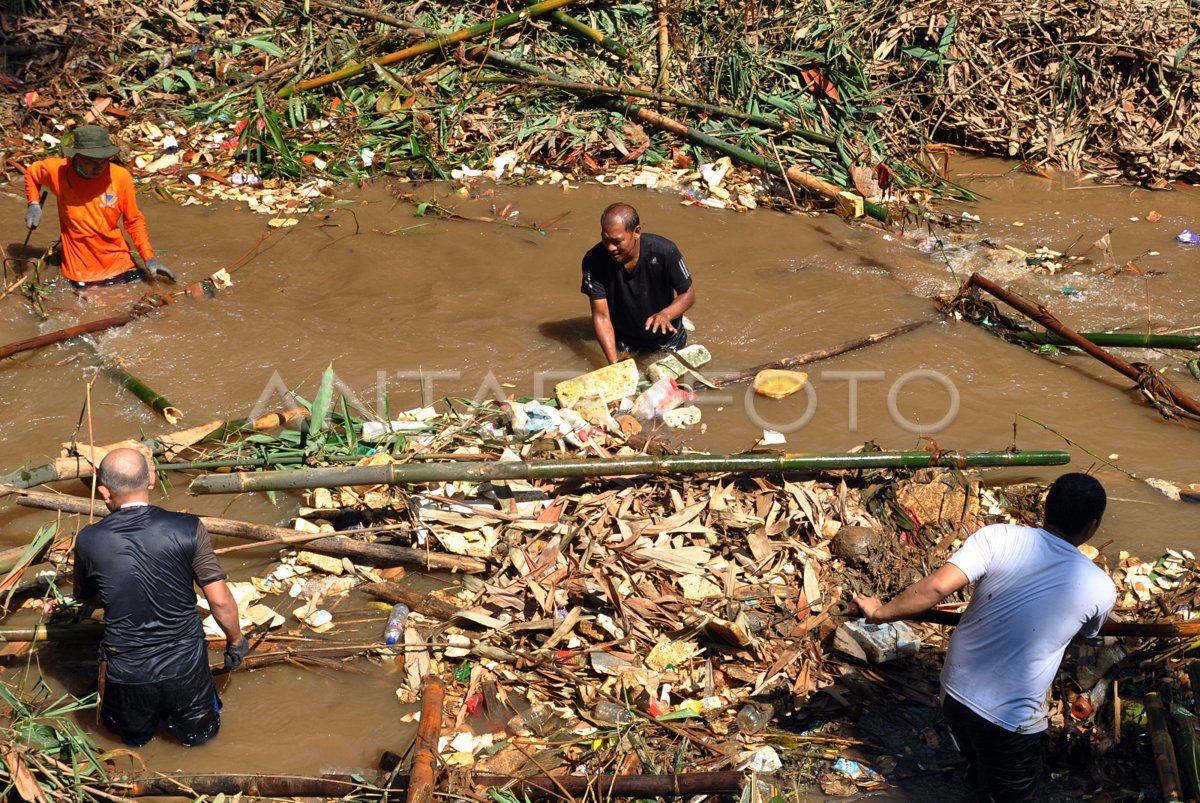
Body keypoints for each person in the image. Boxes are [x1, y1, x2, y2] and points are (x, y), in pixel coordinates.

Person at [853, 472, 1116, 801]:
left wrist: (879, 612)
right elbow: (1087, 635)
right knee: (1014, 793)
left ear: (1046, 508)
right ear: (1092, 526)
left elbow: (935, 587)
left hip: (953, 692)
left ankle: (977, 783)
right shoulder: (1101, 587)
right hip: (1010, 719)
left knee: (976, 758)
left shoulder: (998, 537)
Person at [72, 448, 248, 747]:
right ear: (151, 479)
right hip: (186, 668)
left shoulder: (88, 539)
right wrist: (236, 640)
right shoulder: (188, 527)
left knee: (133, 741)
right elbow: (220, 601)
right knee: (200, 739)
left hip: (128, 674)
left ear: (103, 491)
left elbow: (87, 598)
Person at [23, 125, 175, 288]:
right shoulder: (58, 171)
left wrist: (148, 257)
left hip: (119, 261)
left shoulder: (120, 177)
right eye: (91, 160)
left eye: (104, 160)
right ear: (77, 157)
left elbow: (133, 220)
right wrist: (34, 204)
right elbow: (32, 173)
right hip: (80, 270)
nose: (99, 167)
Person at [581, 203, 695, 364]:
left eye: (617, 241)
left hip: (669, 338)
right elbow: (601, 316)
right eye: (605, 240)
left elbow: (688, 294)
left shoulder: (664, 251)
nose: (610, 247)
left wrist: (666, 314)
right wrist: (613, 364)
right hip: (625, 340)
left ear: (637, 232)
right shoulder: (594, 261)